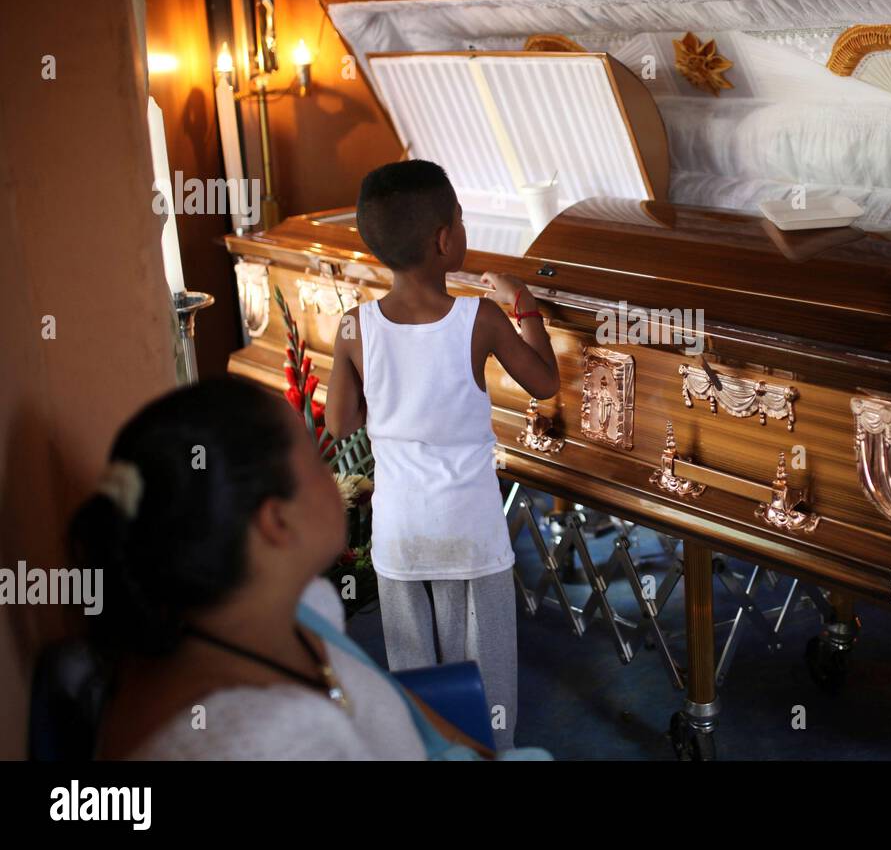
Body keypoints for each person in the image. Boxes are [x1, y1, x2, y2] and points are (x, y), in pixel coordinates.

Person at [70, 379, 546, 760]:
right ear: (277, 520)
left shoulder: (288, 611)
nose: (333, 471)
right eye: (315, 462)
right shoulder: (269, 740)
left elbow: (403, 714)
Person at [326, 160, 559, 752]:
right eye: (460, 219)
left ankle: (429, 749)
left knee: (416, 672)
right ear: (444, 240)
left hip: (401, 533)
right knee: (486, 674)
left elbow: (340, 423)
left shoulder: (355, 327)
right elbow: (544, 382)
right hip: (470, 531)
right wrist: (524, 303)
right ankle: (493, 753)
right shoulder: (477, 317)